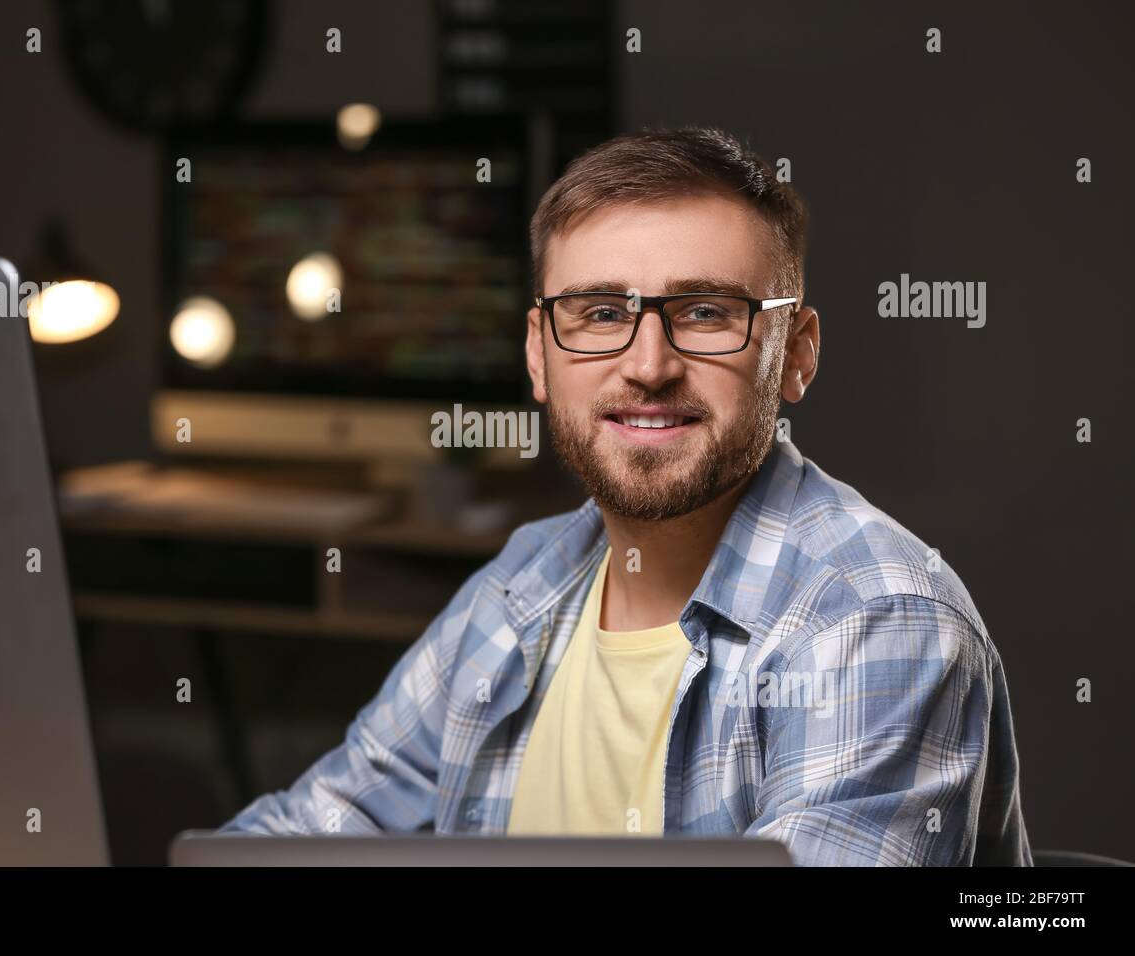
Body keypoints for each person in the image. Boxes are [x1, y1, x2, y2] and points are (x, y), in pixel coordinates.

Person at [221, 126, 1031, 866]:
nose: (648, 365)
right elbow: (311, 831)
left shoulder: (876, 618)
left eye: (707, 312)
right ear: (539, 357)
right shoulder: (521, 586)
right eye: (601, 312)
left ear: (797, 355)